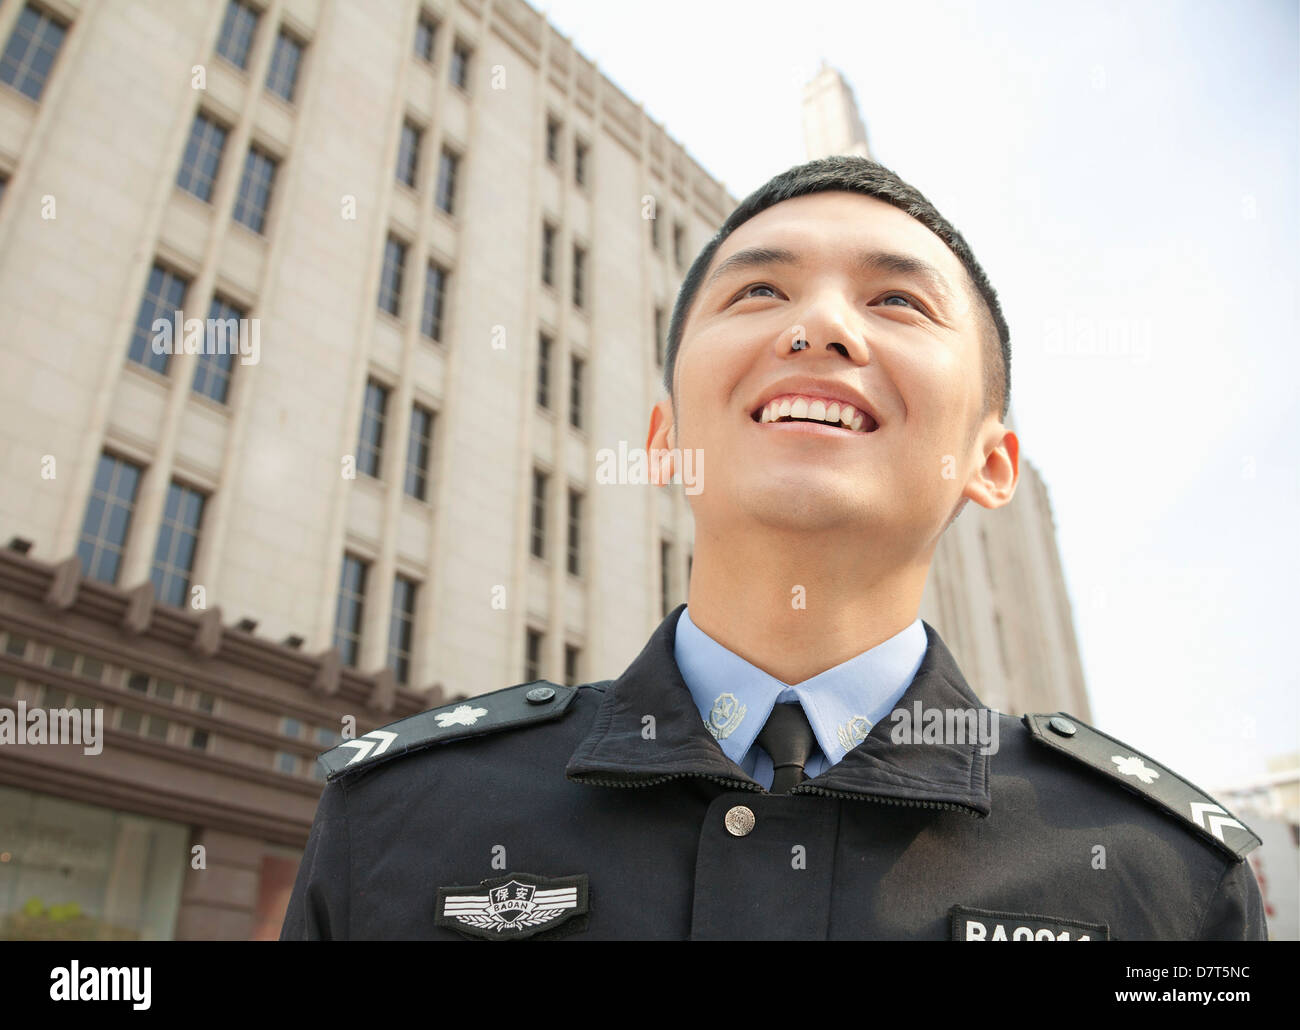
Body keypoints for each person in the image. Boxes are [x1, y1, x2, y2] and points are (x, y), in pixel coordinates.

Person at [280, 156, 1265, 941]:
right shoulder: (397, 818)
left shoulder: (1162, 874)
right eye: (757, 290)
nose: (820, 325)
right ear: (663, 437)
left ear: (990, 461)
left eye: (896, 302)